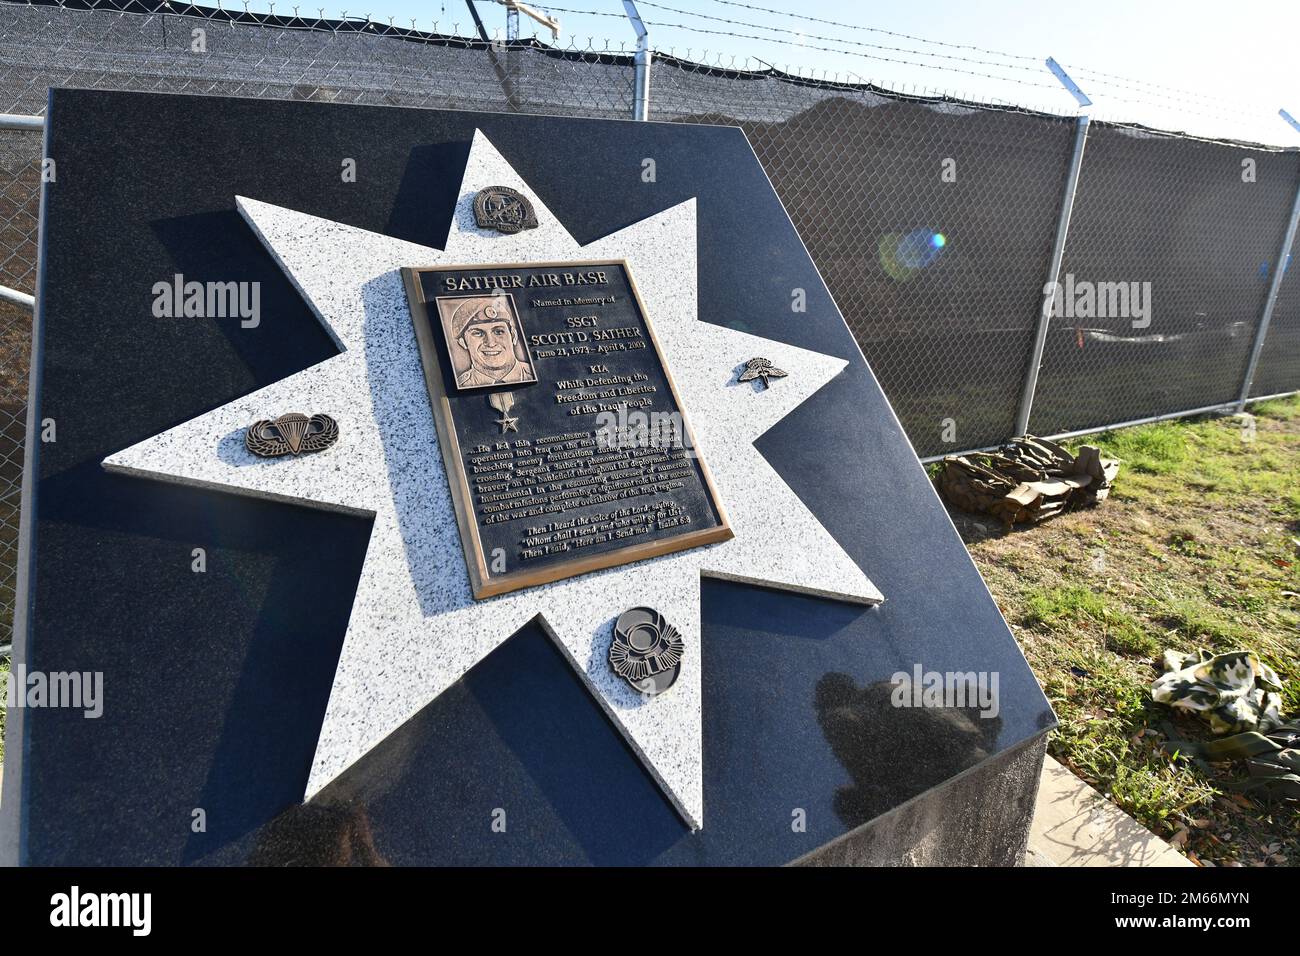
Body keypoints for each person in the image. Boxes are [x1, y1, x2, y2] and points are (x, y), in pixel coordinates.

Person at [447, 297, 534, 388]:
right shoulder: (461, 385)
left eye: (499, 332)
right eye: (478, 333)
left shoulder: (540, 372)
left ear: (513, 336)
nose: (491, 343)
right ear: (463, 342)